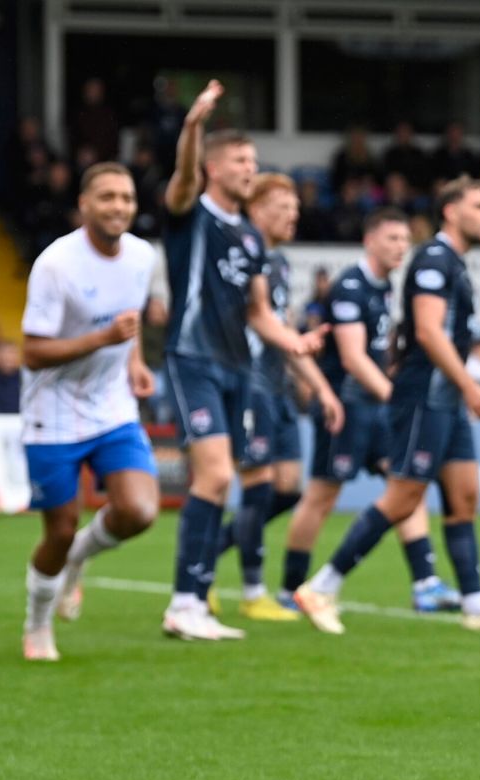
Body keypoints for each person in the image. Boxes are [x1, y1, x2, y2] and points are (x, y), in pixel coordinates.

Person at [292, 177, 480, 635]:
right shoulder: (434, 259)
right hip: (425, 395)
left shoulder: (454, 264)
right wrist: (469, 386)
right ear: (451, 212)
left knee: (464, 498)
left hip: (445, 399)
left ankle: (477, 604)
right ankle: (321, 586)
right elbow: (427, 331)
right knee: (403, 496)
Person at [161, 80, 325, 641]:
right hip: (192, 357)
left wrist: (293, 342)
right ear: (213, 167)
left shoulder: (250, 241)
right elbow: (181, 179)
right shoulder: (191, 211)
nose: (249, 167)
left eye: (253, 159)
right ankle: (184, 602)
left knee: (223, 481)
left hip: (235, 367)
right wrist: (192, 128)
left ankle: (195, 600)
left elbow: (258, 313)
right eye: (239, 159)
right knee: (212, 475)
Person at [280, 208, 461, 613]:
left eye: (405, 241)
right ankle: (290, 588)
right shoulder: (349, 285)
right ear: (369, 240)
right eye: (392, 239)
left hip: (376, 409)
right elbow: (352, 358)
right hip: (344, 409)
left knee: (406, 487)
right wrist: (398, 398)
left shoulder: (381, 289)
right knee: (322, 497)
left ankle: (425, 584)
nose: (401, 248)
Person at [18, 163, 161, 660]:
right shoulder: (56, 264)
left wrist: (135, 362)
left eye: (126, 197)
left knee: (140, 510)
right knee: (57, 529)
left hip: (112, 405)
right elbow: (32, 353)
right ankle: (37, 625)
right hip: (52, 410)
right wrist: (103, 339)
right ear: (83, 204)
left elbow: (130, 321)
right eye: (107, 197)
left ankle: (79, 558)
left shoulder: (142, 257)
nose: (118, 206)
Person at [209, 173, 343, 622]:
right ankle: (251, 592)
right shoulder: (240, 254)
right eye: (284, 208)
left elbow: (284, 332)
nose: (293, 215)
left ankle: (205, 556)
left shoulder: (280, 264)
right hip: (247, 383)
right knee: (258, 485)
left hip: (279, 388)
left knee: (288, 490)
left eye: (295, 209)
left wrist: (321, 387)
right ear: (258, 209)